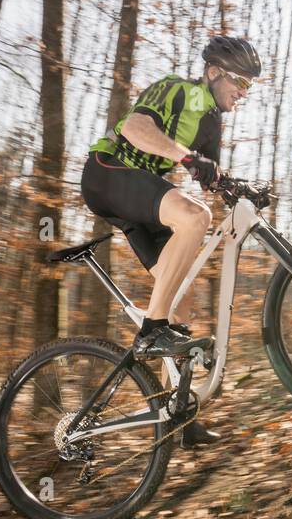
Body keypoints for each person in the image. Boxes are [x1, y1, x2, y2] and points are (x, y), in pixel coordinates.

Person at [81, 35, 262, 448]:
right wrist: (185, 157)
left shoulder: (213, 122)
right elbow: (135, 127)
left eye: (250, 86)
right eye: (240, 81)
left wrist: (245, 191)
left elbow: (213, 177)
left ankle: (176, 418)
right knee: (195, 216)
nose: (244, 92)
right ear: (213, 73)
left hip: (139, 195)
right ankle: (151, 331)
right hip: (108, 172)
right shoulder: (178, 90)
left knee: (182, 300)